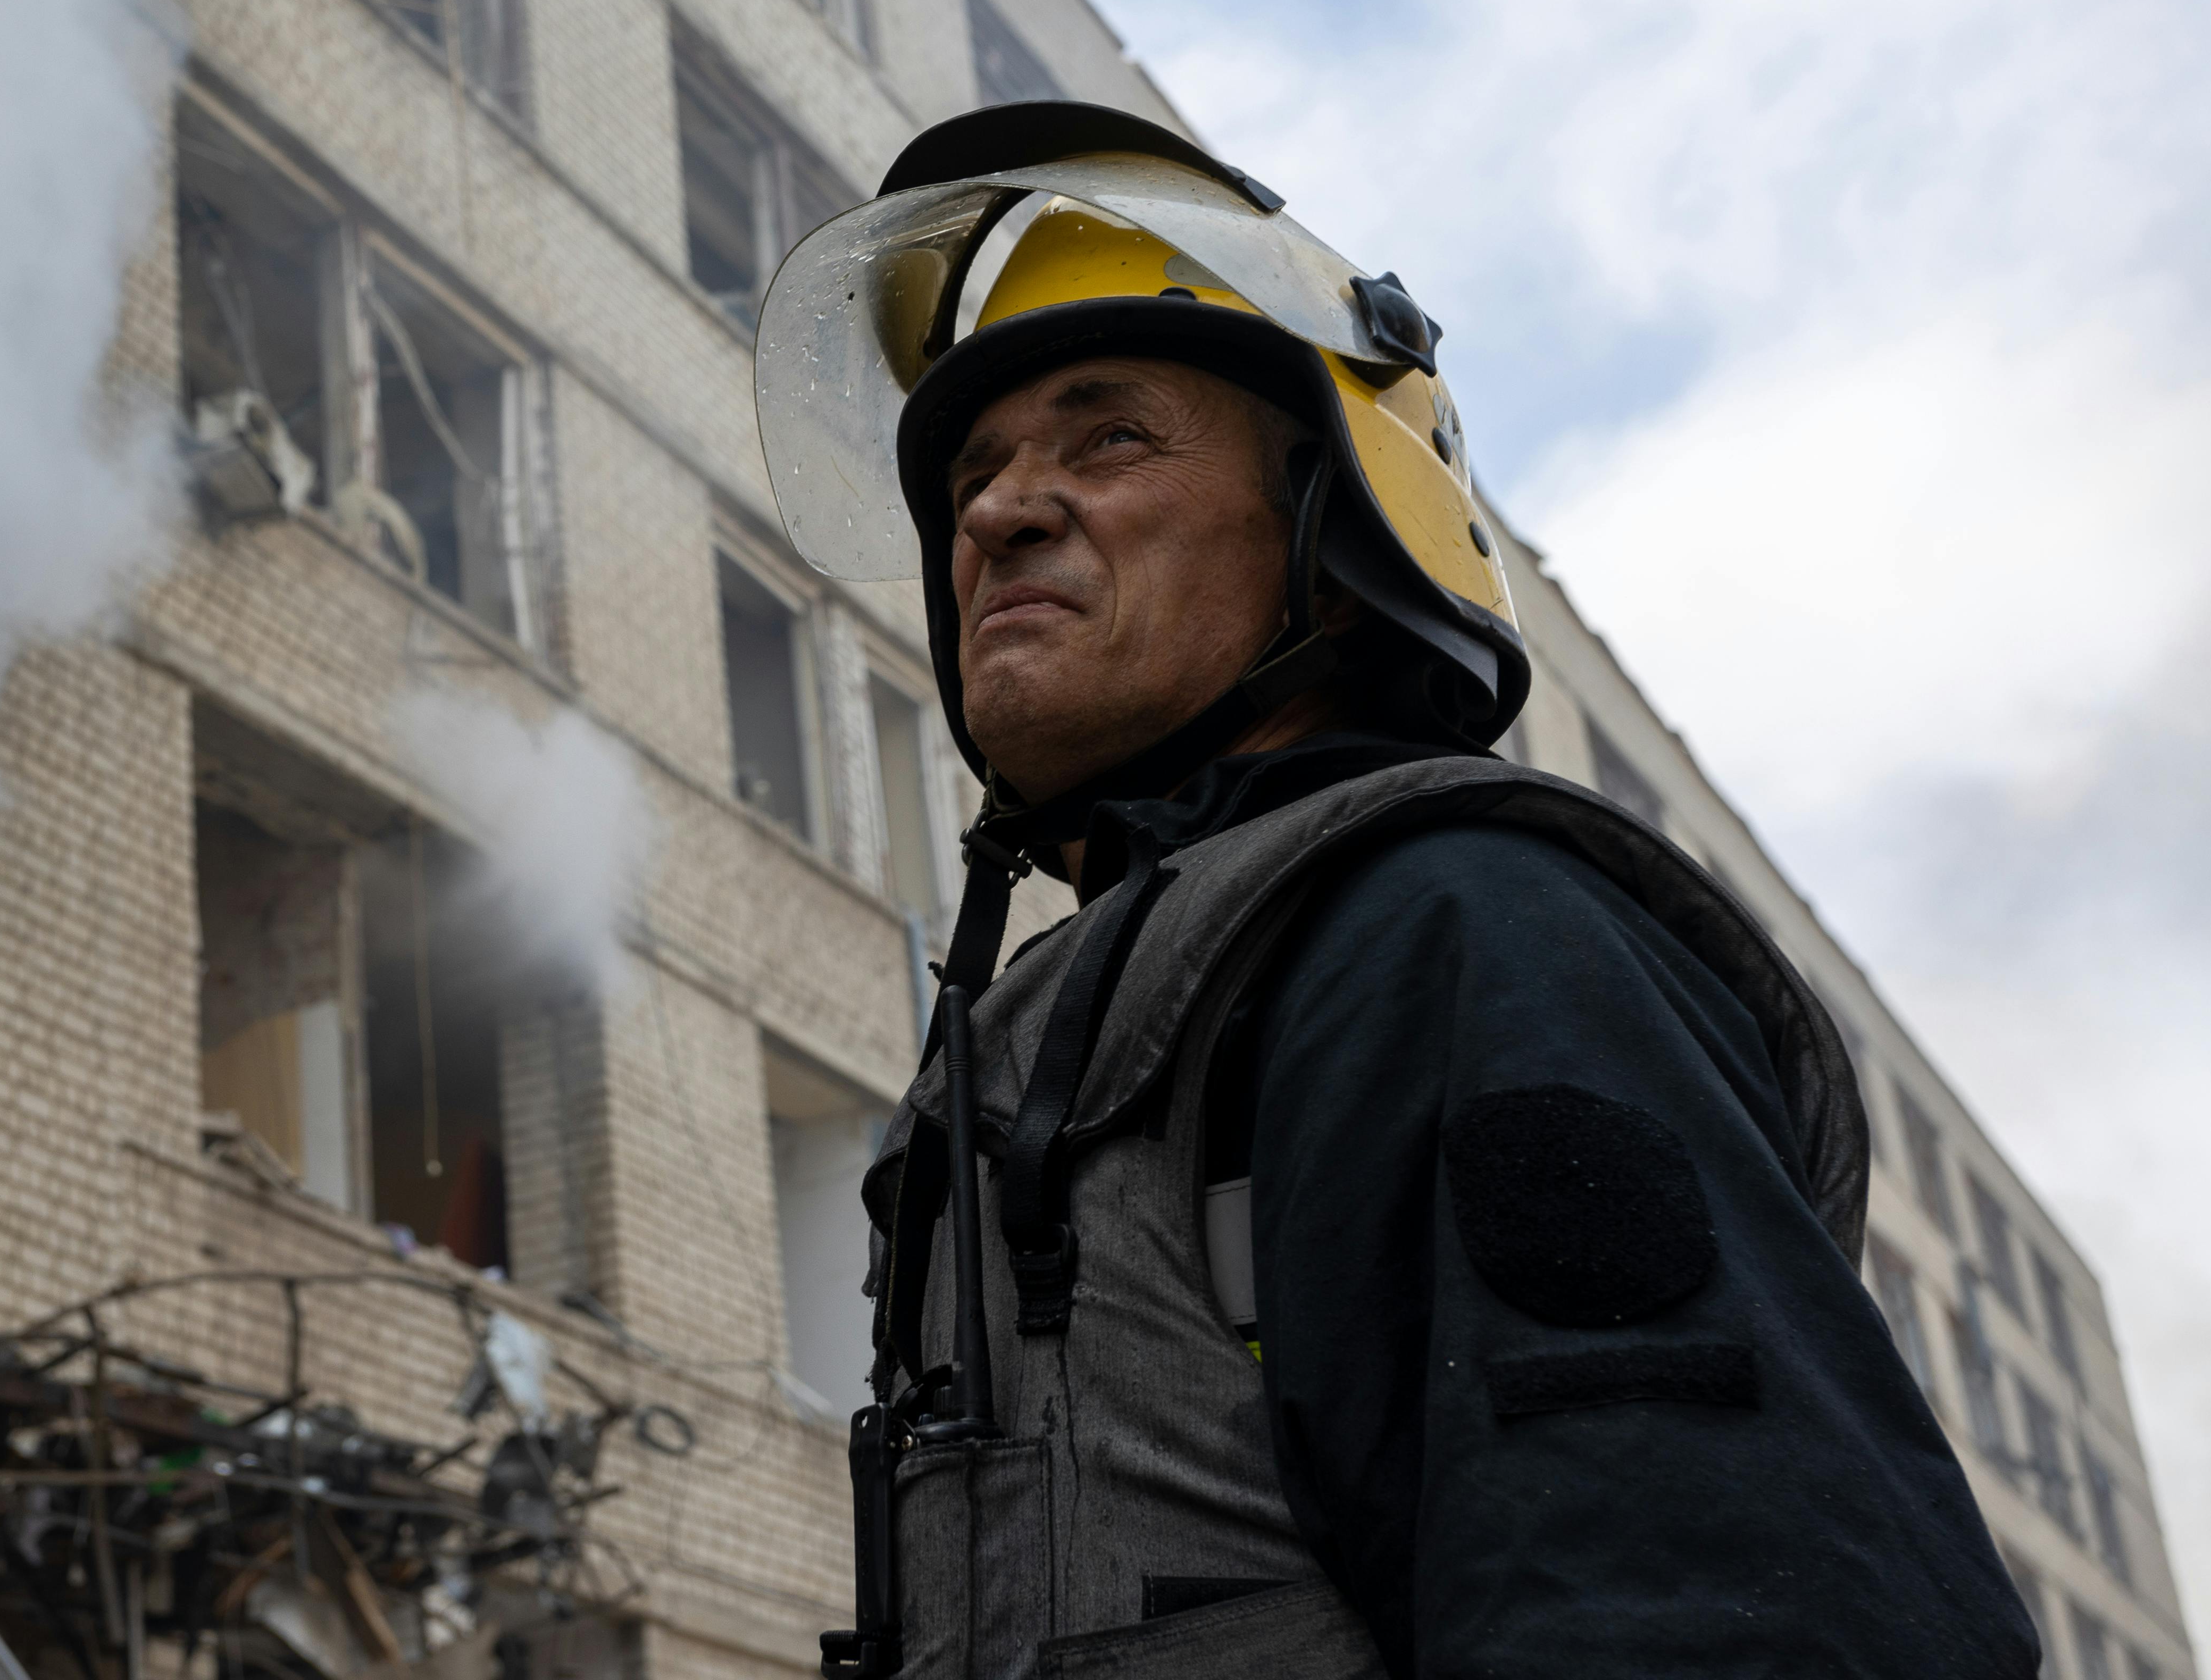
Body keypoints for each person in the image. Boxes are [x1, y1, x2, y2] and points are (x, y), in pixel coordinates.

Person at [764, 105, 2035, 1678]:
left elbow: (1718, 1617)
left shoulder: (1457, 931)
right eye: (971, 468)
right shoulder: (1078, 1022)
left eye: (1107, 435)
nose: (992, 511)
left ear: (1332, 522)